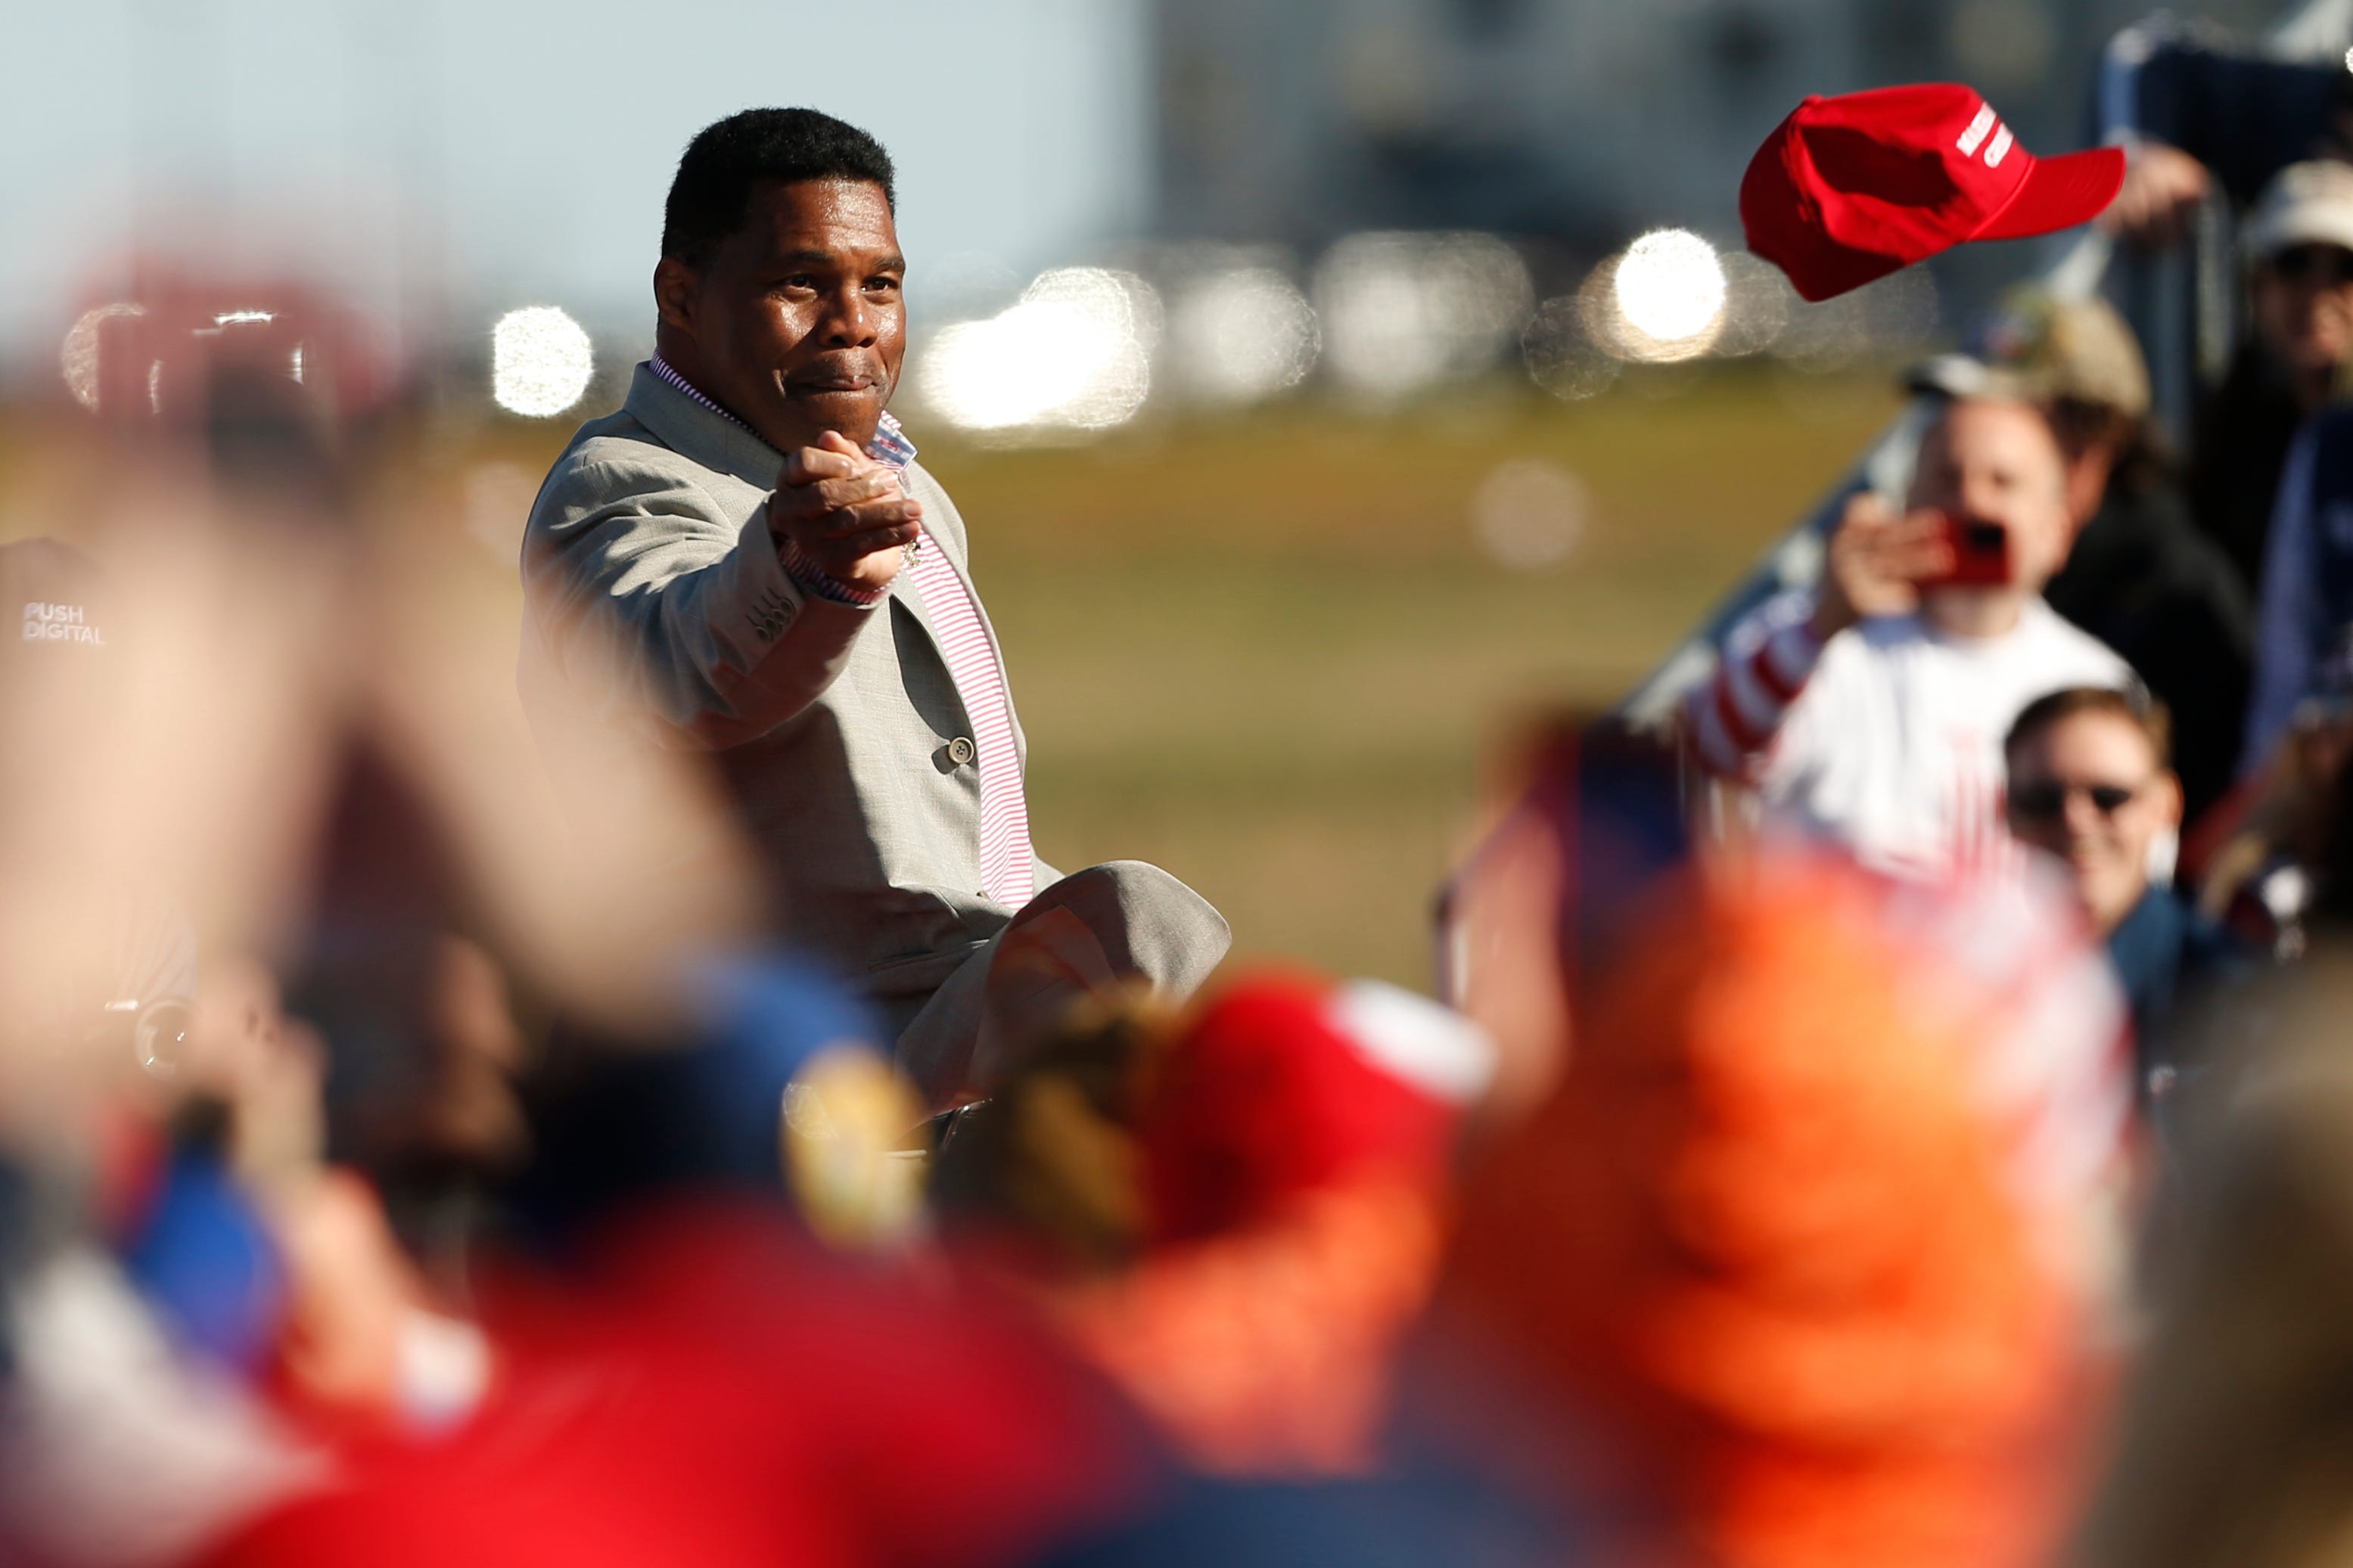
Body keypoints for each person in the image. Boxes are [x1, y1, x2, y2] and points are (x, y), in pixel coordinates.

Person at [518, 109, 1228, 1105]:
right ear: (680, 294)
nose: (852, 321)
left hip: (955, 1013)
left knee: (1154, 956)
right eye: (800, 282)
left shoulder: (897, 485)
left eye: (880, 284)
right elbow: (682, 665)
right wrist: (804, 574)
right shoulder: (626, 488)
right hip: (798, 1067)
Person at [1687, 396, 2133, 882]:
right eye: (1946, 478)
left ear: (2057, 533)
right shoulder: (1822, 638)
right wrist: (1820, 624)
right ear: (1909, 506)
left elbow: (2130, 876)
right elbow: (1718, 747)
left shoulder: (2096, 684)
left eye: (2002, 483)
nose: (1971, 504)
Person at [1967, 289, 2252, 824]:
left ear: (2099, 435)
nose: (1982, 441)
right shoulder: (1971, 564)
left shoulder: (2179, 593)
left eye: (2014, 419)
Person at [2003, 688, 2243, 1063]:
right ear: (2004, 812)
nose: (2075, 821)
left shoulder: (2236, 994)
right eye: (2042, 800)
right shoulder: (1944, 991)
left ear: (2166, 805)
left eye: (2108, 796)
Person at [2189, 161, 2353, 604]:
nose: (2319, 292)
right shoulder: (2216, 439)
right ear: (2256, 286)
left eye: (2345, 268)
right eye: (2294, 263)